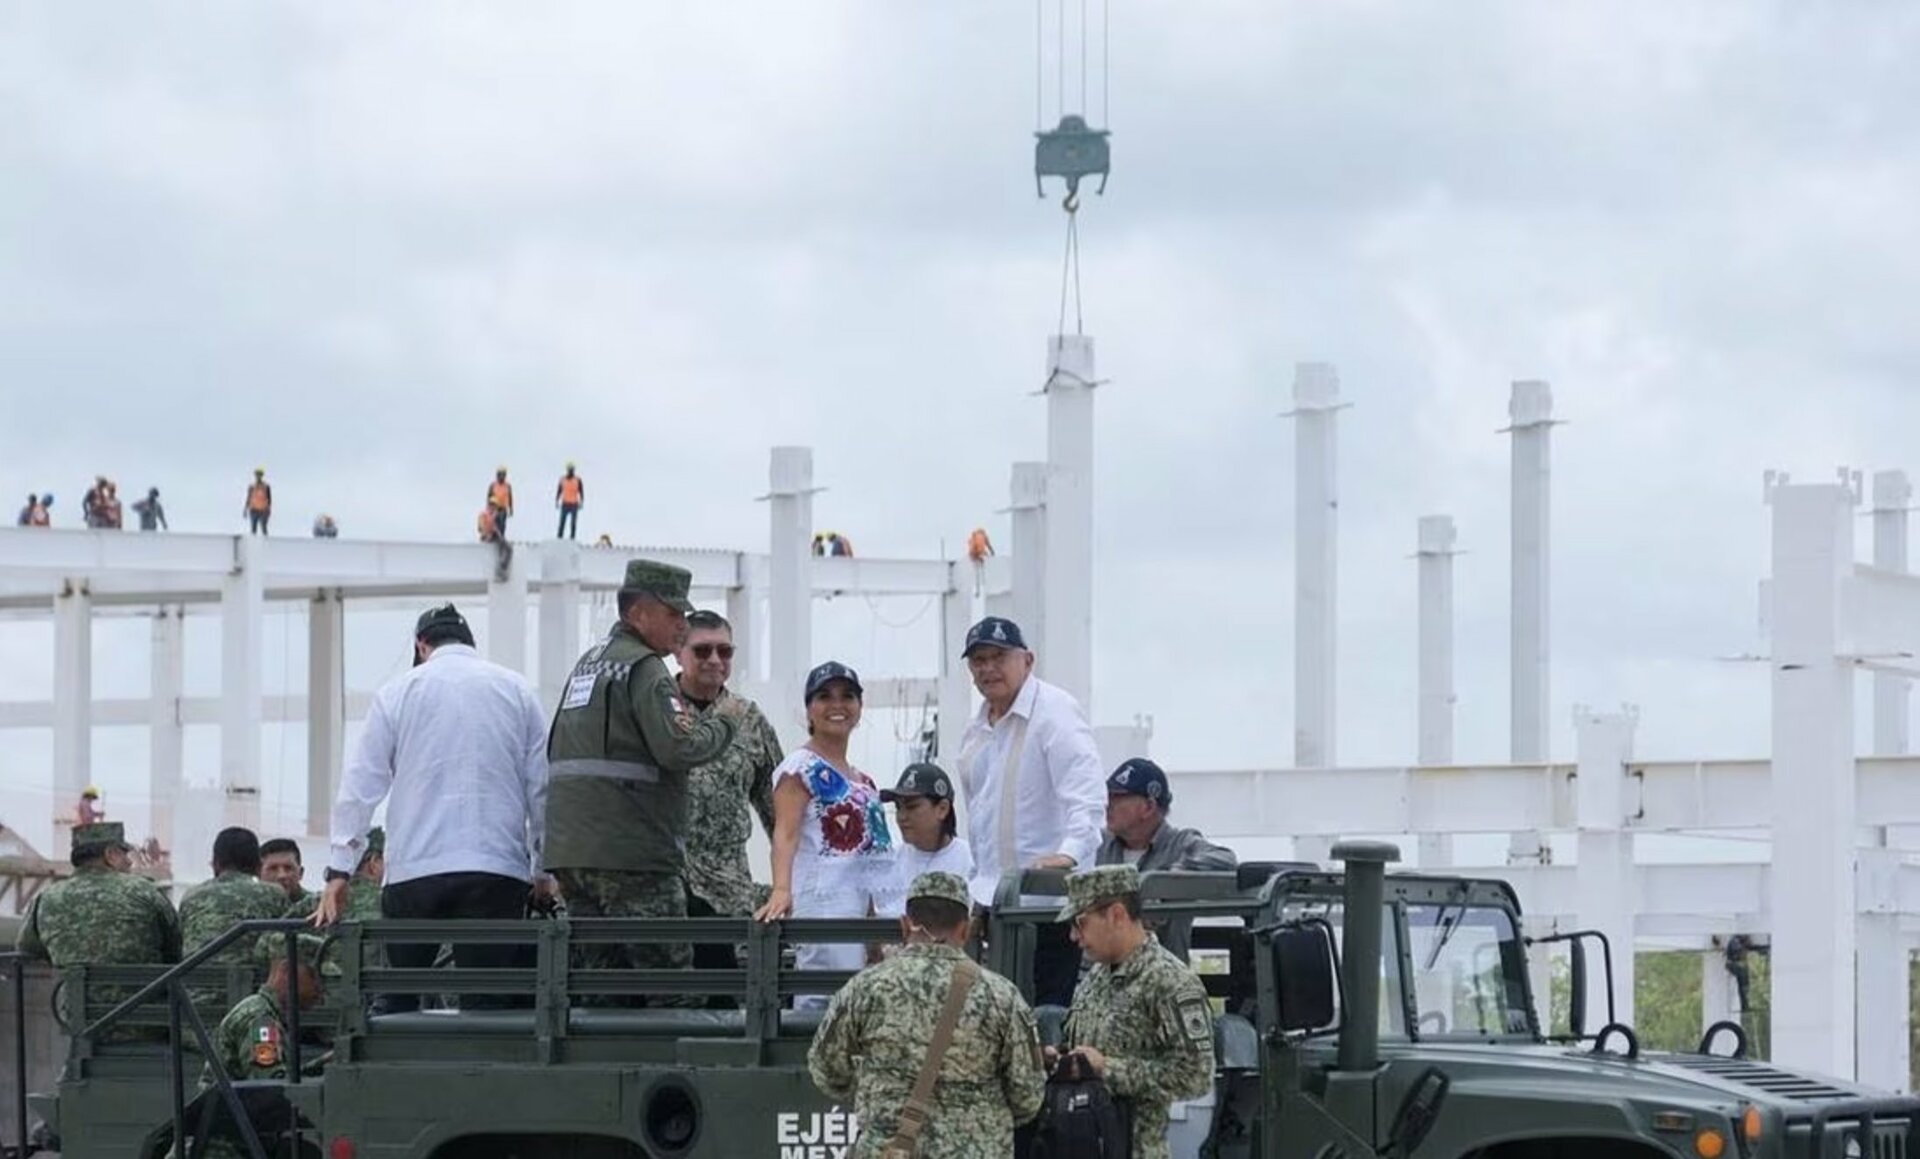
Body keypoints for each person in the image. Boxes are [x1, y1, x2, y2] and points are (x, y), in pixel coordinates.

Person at [316, 603, 550, 1013]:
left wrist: (340, 870)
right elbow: (542, 788)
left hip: (414, 872)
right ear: (470, 644)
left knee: (398, 1004)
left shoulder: (396, 693)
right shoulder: (516, 690)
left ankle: (392, 1069)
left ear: (422, 645)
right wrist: (543, 870)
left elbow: (359, 786)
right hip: (494, 871)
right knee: (490, 1008)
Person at [543, 560, 745, 1006]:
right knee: (671, 990)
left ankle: (604, 1074)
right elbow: (680, 749)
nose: (682, 626)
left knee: (602, 989)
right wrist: (725, 722)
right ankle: (670, 1078)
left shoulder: (587, 666)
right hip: (632, 858)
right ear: (638, 613)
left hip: (573, 856)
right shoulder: (645, 669)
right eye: (673, 615)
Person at [808, 871, 1045, 1158]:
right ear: (965, 929)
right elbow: (1028, 1097)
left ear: (905, 925)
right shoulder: (1002, 996)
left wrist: (880, 1085)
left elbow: (826, 1070)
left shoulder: (864, 988)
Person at [954, 615, 1105, 1007]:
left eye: (998, 657)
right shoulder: (976, 730)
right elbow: (981, 820)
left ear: (1027, 660)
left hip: (1047, 906)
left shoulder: (1054, 711)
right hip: (994, 902)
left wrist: (1069, 854)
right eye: (978, 660)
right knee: (996, 1015)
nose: (988, 668)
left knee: (1046, 1016)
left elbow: (1086, 795)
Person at [754, 661, 895, 1007]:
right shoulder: (799, 768)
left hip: (861, 909)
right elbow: (784, 833)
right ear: (809, 710)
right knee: (822, 998)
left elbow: (870, 858)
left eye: (848, 696)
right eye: (824, 696)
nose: (837, 705)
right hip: (824, 903)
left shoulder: (864, 781)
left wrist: (874, 926)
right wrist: (781, 889)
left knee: (856, 1002)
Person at [1053, 865, 1214, 1159]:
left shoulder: (1170, 982)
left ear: (1116, 915)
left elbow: (1196, 1076)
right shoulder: (1096, 977)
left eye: (1080, 923)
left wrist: (1107, 1068)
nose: (1074, 936)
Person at [675, 610, 782, 978]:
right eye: (702, 651)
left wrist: (789, 886)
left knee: (735, 1003)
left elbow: (780, 816)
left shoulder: (749, 719)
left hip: (729, 894)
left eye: (725, 651)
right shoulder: (657, 709)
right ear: (678, 652)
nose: (715, 661)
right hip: (669, 891)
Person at [16, 822, 182, 1038]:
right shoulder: (143, 891)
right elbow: (177, 948)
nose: (129, 861)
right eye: (124, 853)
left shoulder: (46, 898)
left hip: (82, 1024)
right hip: (146, 1024)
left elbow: (27, 948)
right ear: (110, 854)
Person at [1095, 758, 1237, 962]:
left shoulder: (1180, 844)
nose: (1107, 804)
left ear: (1149, 807)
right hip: (1099, 978)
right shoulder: (1098, 845)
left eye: (1117, 798)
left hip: (1161, 981)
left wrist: (1165, 883)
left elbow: (1225, 860)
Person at [178, 827, 293, 981]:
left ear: (215, 864)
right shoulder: (274, 895)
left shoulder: (191, 897)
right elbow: (287, 947)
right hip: (250, 997)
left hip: (194, 997)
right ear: (258, 866)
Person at [874, 763, 973, 919]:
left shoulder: (970, 863)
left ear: (942, 809)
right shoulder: (888, 863)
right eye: (898, 807)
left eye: (912, 807)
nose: (901, 816)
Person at [259, 838, 311, 908]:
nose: (282, 875)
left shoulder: (316, 906)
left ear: (300, 873)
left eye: (288, 868)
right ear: (258, 873)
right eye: (273, 868)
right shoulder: (247, 904)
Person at [555, 462, 584, 539]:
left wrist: (581, 502)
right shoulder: (562, 479)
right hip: (565, 503)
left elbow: (581, 491)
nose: (570, 471)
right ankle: (559, 538)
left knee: (573, 523)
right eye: (569, 469)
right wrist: (557, 500)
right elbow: (559, 490)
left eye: (572, 469)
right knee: (562, 522)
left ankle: (572, 538)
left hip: (574, 504)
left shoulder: (578, 480)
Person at [486, 467, 514, 536]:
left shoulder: (508, 486)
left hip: (503, 508)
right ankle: (493, 536)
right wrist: (488, 508)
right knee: (494, 522)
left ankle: (501, 536)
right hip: (494, 507)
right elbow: (489, 497)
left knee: (502, 523)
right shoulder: (493, 485)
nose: (501, 477)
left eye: (503, 475)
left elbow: (510, 497)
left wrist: (511, 509)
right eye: (500, 475)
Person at [243, 468, 272, 535]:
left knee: (263, 528)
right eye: (257, 475)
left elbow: (269, 499)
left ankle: (266, 543)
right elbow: (248, 497)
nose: (258, 477)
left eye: (259, 475)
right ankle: (253, 543)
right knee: (253, 529)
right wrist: (245, 509)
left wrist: (269, 509)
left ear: (261, 476)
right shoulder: (252, 486)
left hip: (263, 510)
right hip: (253, 510)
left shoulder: (266, 486)